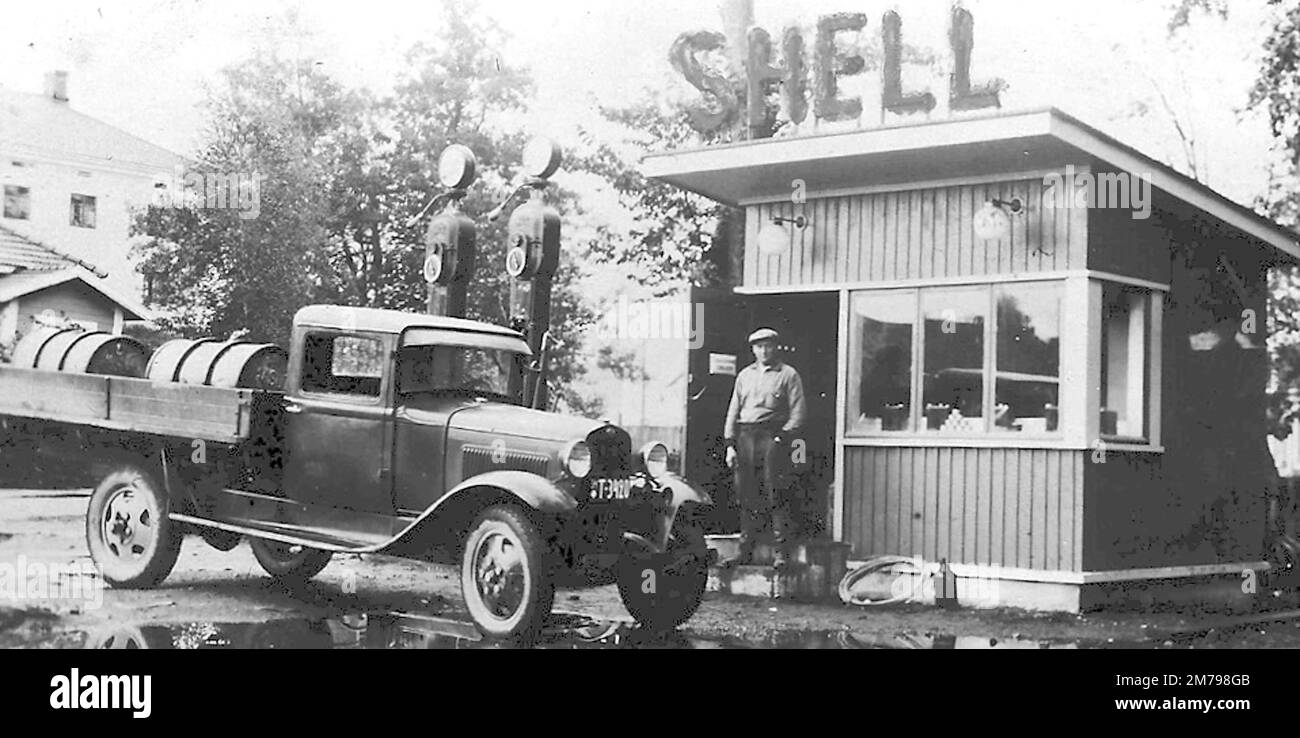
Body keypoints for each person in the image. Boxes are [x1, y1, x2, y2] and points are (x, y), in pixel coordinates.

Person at [720, 327, 807, 569]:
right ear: (753, 350)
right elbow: (733, 411)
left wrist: (782, 438)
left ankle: (781, 552)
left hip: (772, 435)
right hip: (746, 436)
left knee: (775, 491)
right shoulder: (744, 376)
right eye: (759, 346)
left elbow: (799, 413)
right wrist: (730, 444)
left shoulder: (788, 375)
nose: (764, 350)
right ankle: (746, 550)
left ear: (776, 347)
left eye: (768, 345)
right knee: (745, 493)